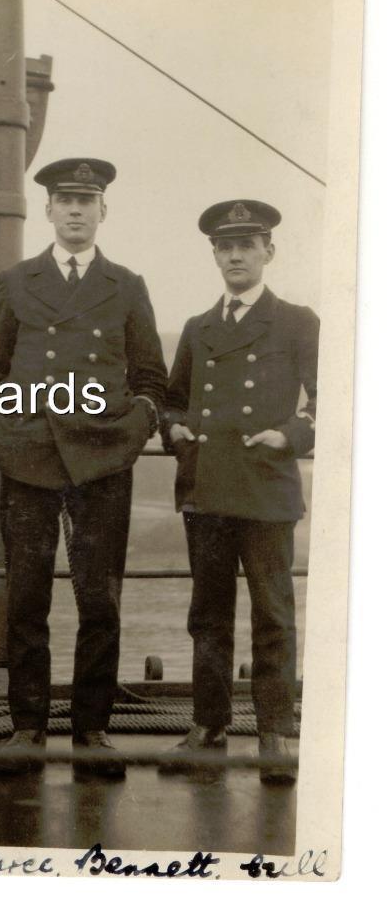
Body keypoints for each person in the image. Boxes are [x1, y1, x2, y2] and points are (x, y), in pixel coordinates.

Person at [0, 157, 167, 777]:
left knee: (99, 599)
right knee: (26, 595)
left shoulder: (128, 284)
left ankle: (92, 730)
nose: (77, 210)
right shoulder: (17, 280)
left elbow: (150, 376)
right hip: (29, 454)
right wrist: (0, 425)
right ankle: (27, 728)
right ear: (51, 212)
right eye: (65, 200)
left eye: (88, 200)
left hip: (103, 456)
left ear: (103, 211)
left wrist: (138, 422)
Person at [162, 199, 319, 783]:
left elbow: (328, 397)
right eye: (225, 247)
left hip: (266, 483)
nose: (234, 256)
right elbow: (174, 396)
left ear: (267, 253)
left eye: (246, 246)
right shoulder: (200, 328)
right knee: (208, 614)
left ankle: (274, 731)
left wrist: (293, 433)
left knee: (274, 613)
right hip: (206, 485)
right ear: (214, 255)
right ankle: (209, 726)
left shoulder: (298, 320)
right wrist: (172, 428)